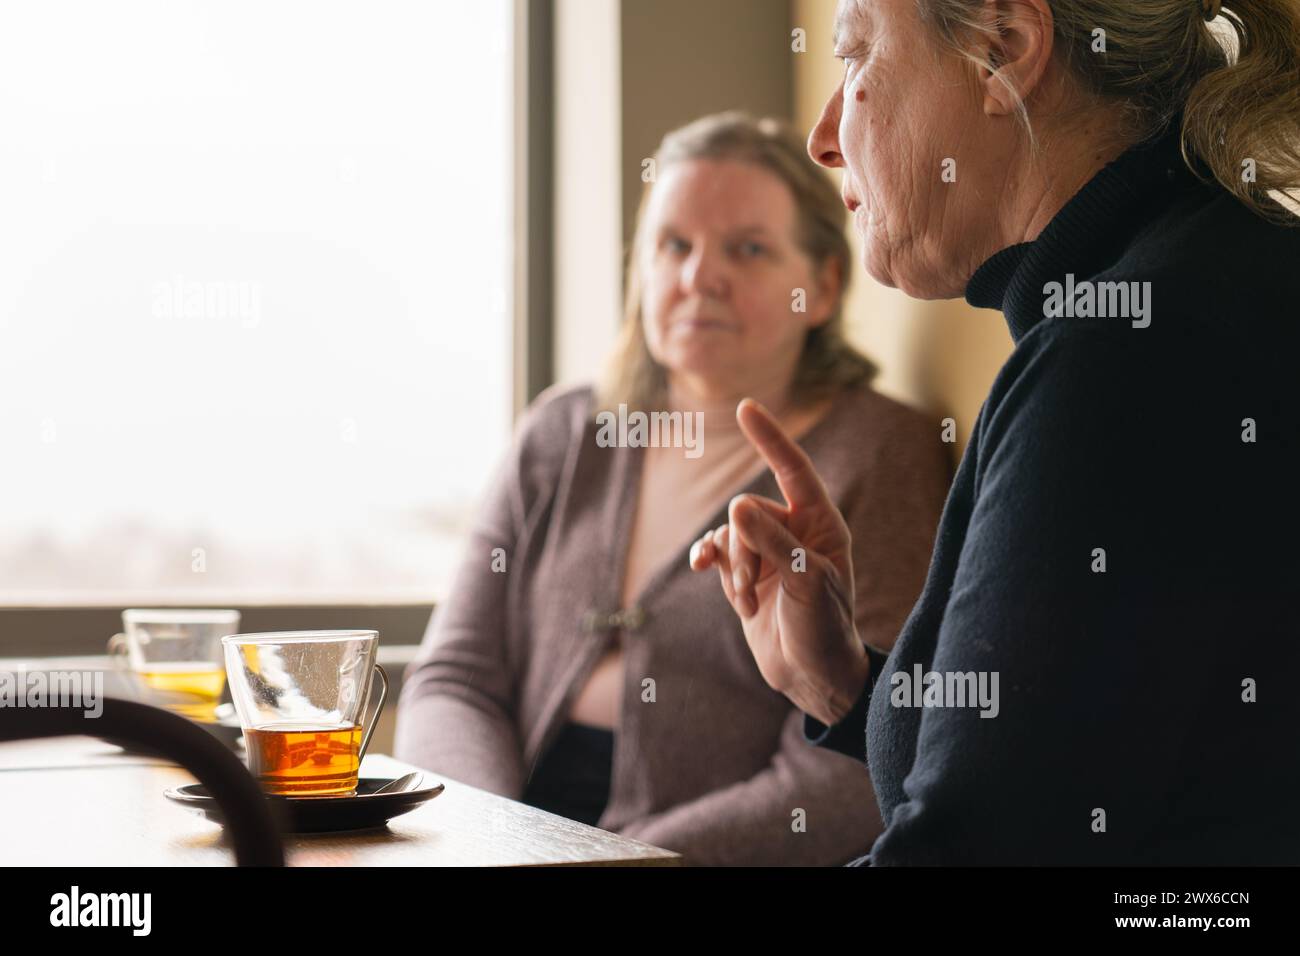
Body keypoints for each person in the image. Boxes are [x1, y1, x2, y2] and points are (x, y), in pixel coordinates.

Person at [691, 0, 1300, 864]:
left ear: (1004, 50)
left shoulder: (1122, 358)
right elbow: (1081, 776)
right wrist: (849, 689)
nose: (824, 136)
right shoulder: (1194, 284)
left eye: (858, 56)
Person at [393, 111, 952, 865]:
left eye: (747, 249)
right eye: (674, 245)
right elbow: (452, 679)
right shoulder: (561, 432)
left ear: (820, 287)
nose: (698, 276)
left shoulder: (881, 452)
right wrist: (496, 842)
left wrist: (615, 862)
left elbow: (852, 766)